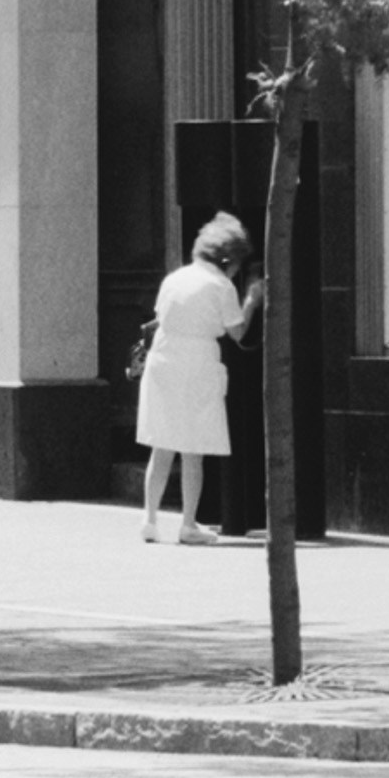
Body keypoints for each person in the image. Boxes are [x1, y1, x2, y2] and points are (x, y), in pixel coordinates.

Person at [131, 205, 253, 545]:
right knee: (193, 448)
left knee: (162, 445)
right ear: (229, 260)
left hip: (164, 358)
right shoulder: (221, 286)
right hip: (197, 362)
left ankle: (150, 520)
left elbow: (161, 317)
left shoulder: (175, 278)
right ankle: (187, 524)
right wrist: (253, 299)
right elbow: (238, 332)